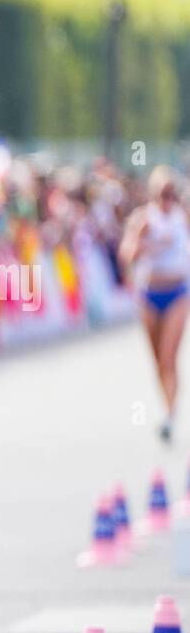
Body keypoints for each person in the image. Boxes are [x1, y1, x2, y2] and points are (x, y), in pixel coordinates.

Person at [120, 165, 190, 443]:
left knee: (169, 356)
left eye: (170, 193)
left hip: (177, 294)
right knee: (157, 361)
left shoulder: (182, 217)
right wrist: (142, 240)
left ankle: (170, 416)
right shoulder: (142, 219)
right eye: (162, 194)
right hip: (150, 294)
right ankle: (166, 406)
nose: (166, 199)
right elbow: (126, 255)